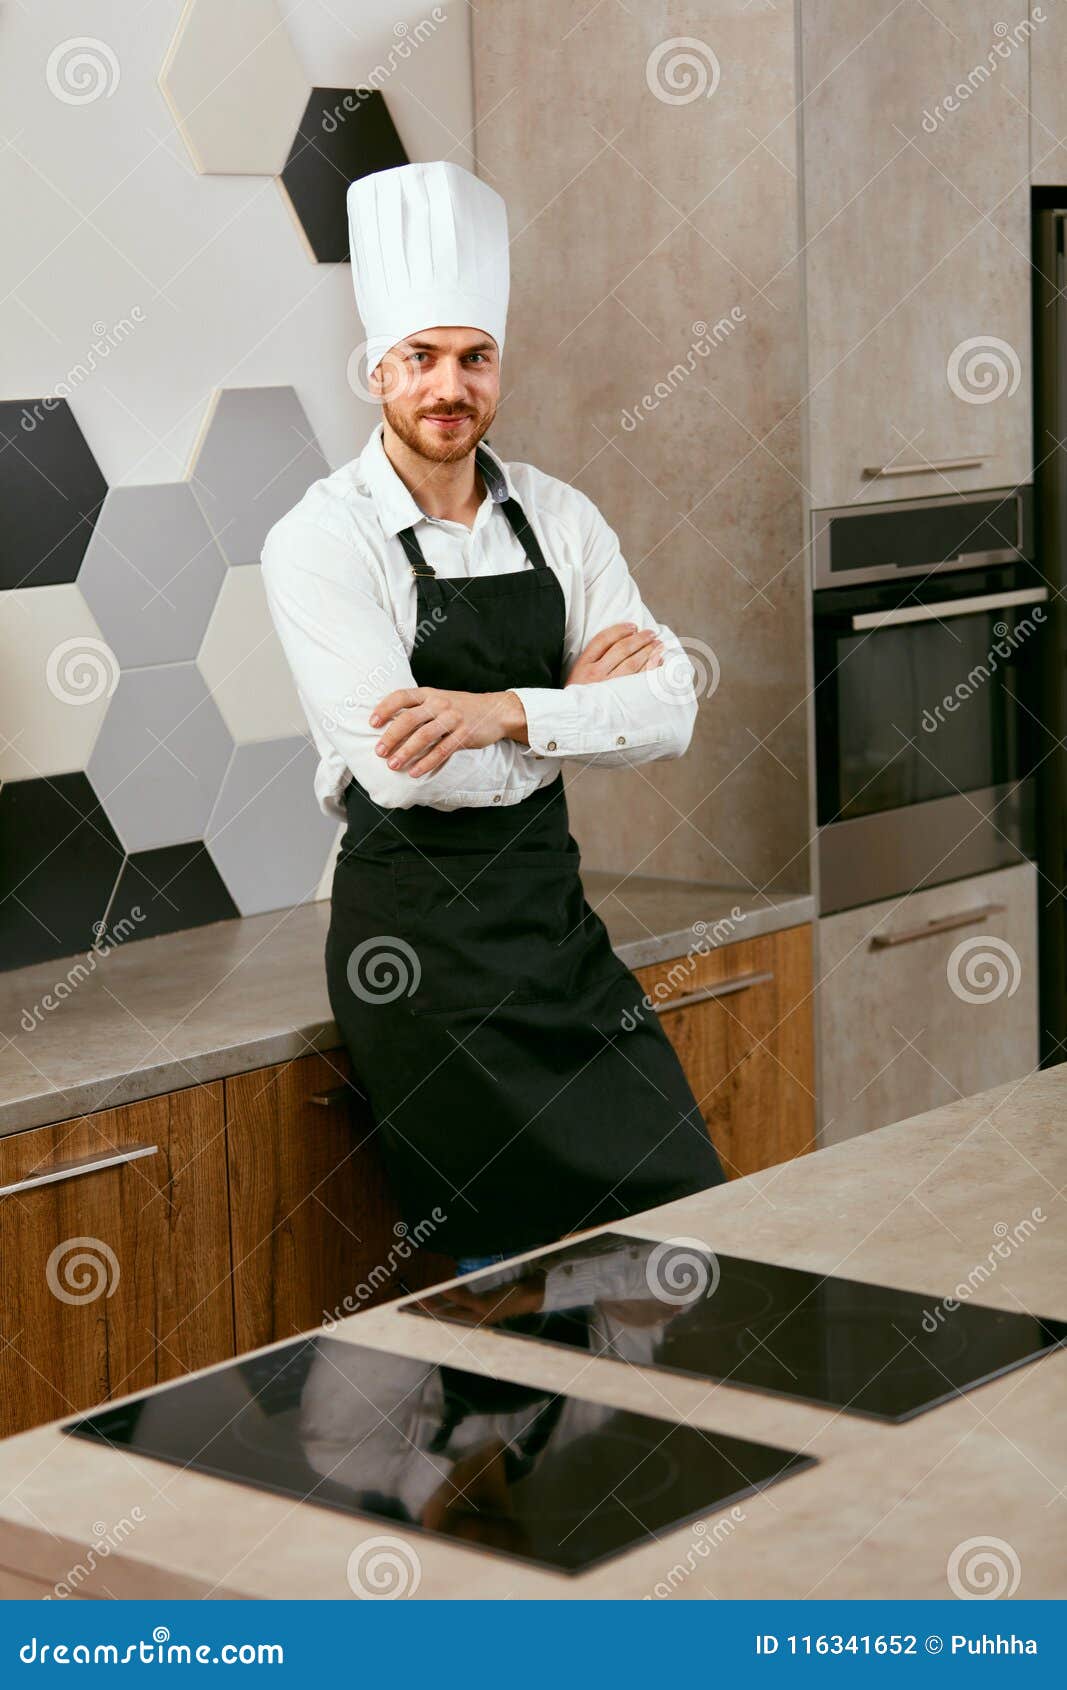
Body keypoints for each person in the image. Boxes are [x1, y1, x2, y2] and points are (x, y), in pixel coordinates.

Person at [261, 160, 725, 1277]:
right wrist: (573, 714)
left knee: (682, 1231)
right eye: (422, 357)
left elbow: (670, 708)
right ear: (379, 368)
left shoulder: (559, 517)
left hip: (555, 933)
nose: (449, 385)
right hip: (417, 961)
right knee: (512, 1279)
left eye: (474, 357)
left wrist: (498, 711)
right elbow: (407, 772)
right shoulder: (320, 540)